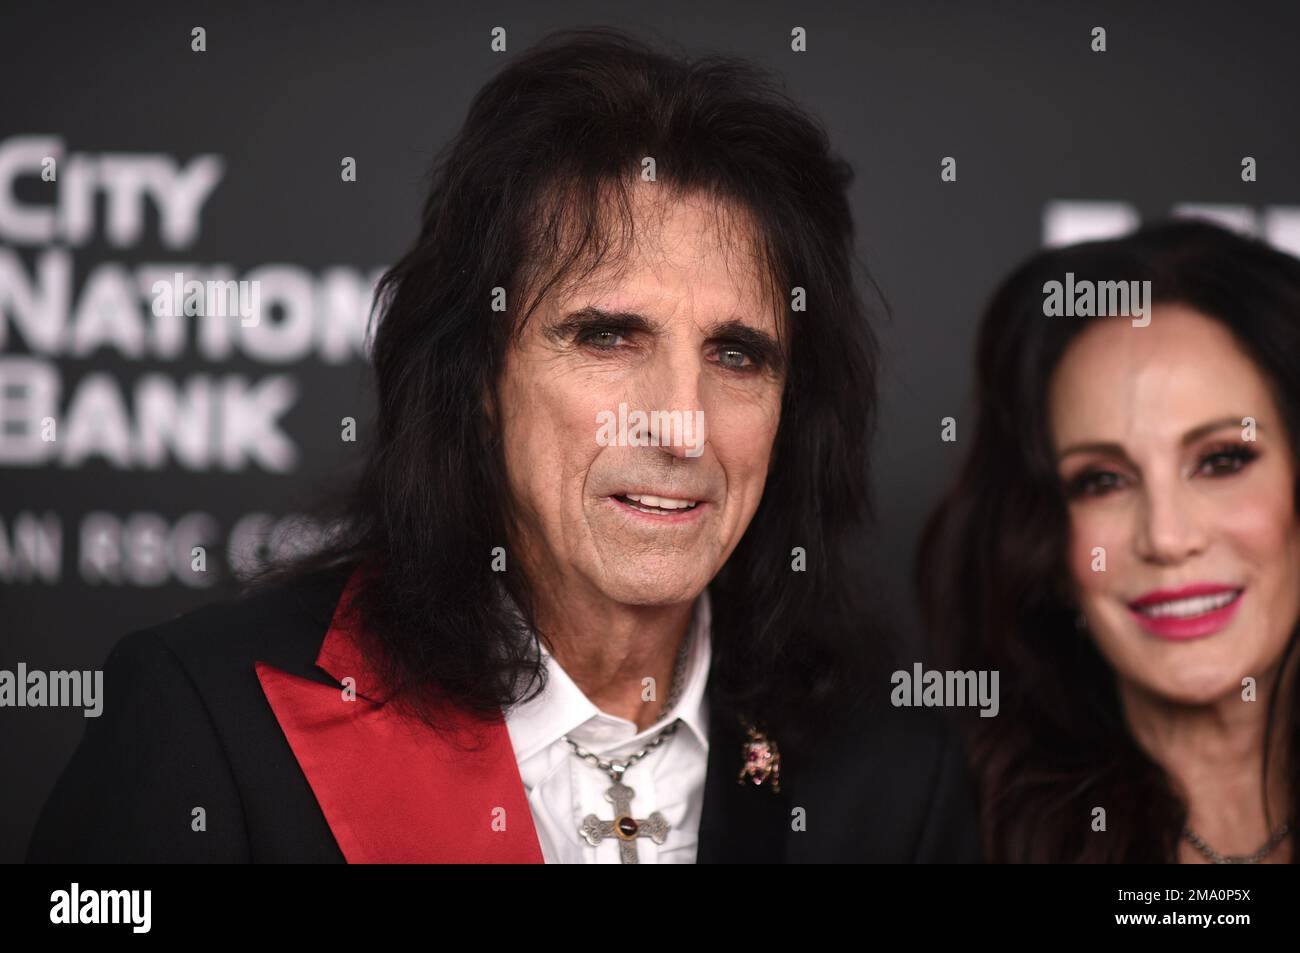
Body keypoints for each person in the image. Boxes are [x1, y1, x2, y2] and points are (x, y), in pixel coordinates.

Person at [28, 27, 979, 864]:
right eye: (607, 336)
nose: (681, 422)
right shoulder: (207, 726)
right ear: (477, 379)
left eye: (737, 355)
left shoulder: (897, 774)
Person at [919, 220, 1300, 863]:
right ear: (1040, 533)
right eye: (1102, 480)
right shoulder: (943, 830)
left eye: (1223, 461)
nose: (1167, 537)